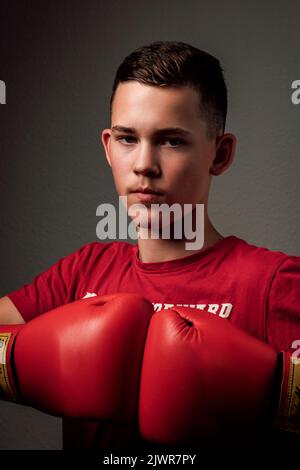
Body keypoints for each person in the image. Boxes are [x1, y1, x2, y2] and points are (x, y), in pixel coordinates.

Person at [0, 40, 299, 450]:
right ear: (108, 147)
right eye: (127, 138)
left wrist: (270, 392)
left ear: (221, 153)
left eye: (171, 140)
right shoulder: (83, 271)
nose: (144, 164)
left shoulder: (271, 283)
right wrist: (20, 362)